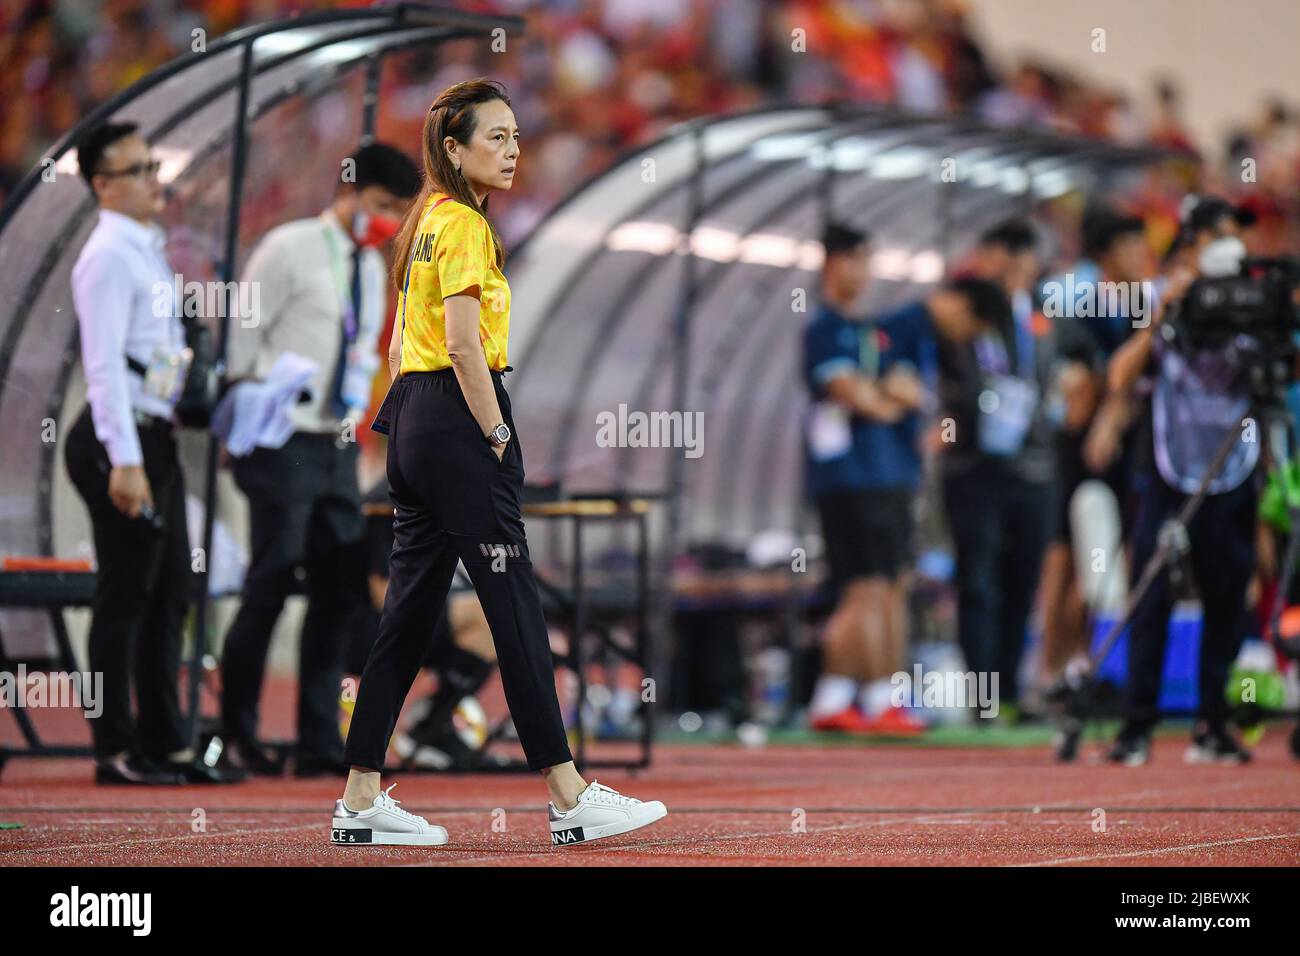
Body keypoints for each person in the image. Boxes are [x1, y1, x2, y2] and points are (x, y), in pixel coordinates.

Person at [331, 78, 666, 847]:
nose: (513, 151)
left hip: (413, 421)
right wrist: (495, 434)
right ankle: (568, 792)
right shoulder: (468, 230)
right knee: (514, 606)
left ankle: (358, 798)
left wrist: (410, 434)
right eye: (496, 139)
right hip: (455, 418)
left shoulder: (424, 223)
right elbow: (458, 343)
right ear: (453, 149)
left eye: (517, 137)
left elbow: (395, 345)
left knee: (408, 617)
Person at [219, 143, 419, 778]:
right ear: (352, 190)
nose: (389, 221)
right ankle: (237, 733)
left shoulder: (366, 266)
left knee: (339, 590)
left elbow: (362, 354)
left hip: (335, 443)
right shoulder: (288, 248)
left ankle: (317, 741)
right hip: (282, 436)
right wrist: (248, 410)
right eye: (385, 206)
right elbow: (241, 341)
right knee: (271, 581)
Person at [63, 121, 237, 785]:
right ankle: (114, 747)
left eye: (151, 166)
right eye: (136, 170)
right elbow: (102, 364)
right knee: (126, 596)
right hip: (122, 439)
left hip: (152, 434)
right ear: (102, 184)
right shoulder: (107, 254)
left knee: (171, 593)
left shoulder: (142, 247)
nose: (151, 180)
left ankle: (167, 742)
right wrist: (125, 458)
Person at [1104, 197, 1260, 765]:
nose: (1230, 248)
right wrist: (1162, 311)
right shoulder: (1157, 296)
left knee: (1227, 598)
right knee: (1152, 594)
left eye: (1237, 238)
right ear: (1192, 243)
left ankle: (1212, 724)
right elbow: (1120, 376)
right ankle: (1136, 726)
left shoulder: (1253, 300)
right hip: (1170, 469)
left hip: (1234, 465)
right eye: (1219, 236)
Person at [802, 223, 933, 734]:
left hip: (891, 476)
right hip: (851, 481)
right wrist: (883, 396)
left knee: (891, 585)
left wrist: (885, 394)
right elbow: (864, 399)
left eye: (865, 260)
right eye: (850, 260)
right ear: (830, 265)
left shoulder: (876, 330)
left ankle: (836, 695)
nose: (860, 271)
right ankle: (880, 698)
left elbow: (909, 392)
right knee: (866, 589)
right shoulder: (822, 330)